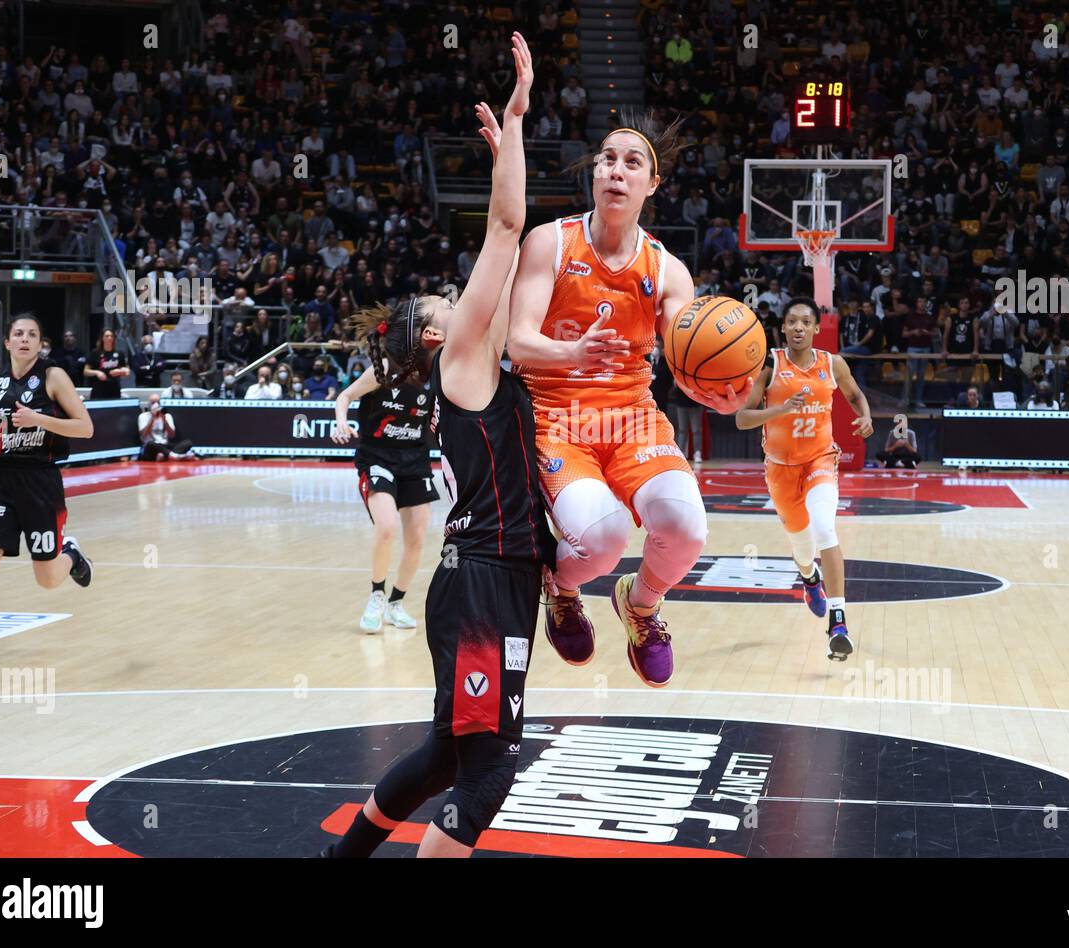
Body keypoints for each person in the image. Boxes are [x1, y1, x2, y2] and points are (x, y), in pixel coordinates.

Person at [321, 32, 552, 860]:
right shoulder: (464, 363)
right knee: (487, 775)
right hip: (483, 580)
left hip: (500, 575)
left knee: (444, 757)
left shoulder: (487, 369)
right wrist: (518, 120)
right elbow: (507, 225)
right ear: (433, 333)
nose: (462, 298)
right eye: (446, 300)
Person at [507, 108, 751, 688]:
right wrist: (571, 355)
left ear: (652, 183)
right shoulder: (551, 242)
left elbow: (684, 355)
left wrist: (717, 392)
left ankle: (640, 605)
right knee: (604, 541)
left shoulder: (668, 270)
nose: (616, 170)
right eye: (607, 159)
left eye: (632, 162)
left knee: (688, 526)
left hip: (632, 420)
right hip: (556, 417)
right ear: (595, 174)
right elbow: (516, 342)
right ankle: (561, 588)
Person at [0, 313, 95, 685]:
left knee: (47, 578)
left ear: (40, 342)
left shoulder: (53, 376)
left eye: (32, 334)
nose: (25, 339)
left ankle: (72, 555)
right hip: (0, 479)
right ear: (7, 342)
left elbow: (85, 427)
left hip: (40, 481)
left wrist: (40, 419)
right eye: (19, 334)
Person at [734, 297, 874, 660]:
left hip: (820, 460)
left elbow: (857, 396)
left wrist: (866, 418)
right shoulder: (770, 365)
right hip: (780, 468)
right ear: (783, 328)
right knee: (801, 547)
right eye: (791, 322)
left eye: (805, 322)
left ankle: (838, 619)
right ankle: (810, 579)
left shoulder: (833, 364)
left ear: (815, 328)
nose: (798, 327)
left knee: (826, 528)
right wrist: (779, 409)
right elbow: (742, 418)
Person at [332, 321, 440, 633]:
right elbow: (345, 396)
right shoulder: (384, 369)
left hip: (415, 460)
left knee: (418, 536)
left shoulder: (437, 372)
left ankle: (396, 604)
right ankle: (377, 594)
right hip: (378, 457)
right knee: (387, 528)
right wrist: (341, 422)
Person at [137, 393, 196, 461]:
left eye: (158, 402)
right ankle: (173, 456)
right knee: (150, 444)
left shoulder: (167, 416)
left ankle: (166, 456)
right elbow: (143, 435)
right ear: (149, 404)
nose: (156, 405)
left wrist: (164, 421)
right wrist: (152, 420)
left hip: (165, 445)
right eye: (153, 403)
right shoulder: (143, 416)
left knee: (188, 442)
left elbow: (172, 435)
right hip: (151, 447)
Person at [85, 328, 131, 398]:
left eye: (111, 336)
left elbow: (127, 371)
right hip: (99, 389)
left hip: (114, 388)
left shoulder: (119, 353)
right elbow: (86, 371)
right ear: (102, 338)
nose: (109, 338)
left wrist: (120, 371)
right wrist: (97, 373)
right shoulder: (95, 353)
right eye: (107, 336)